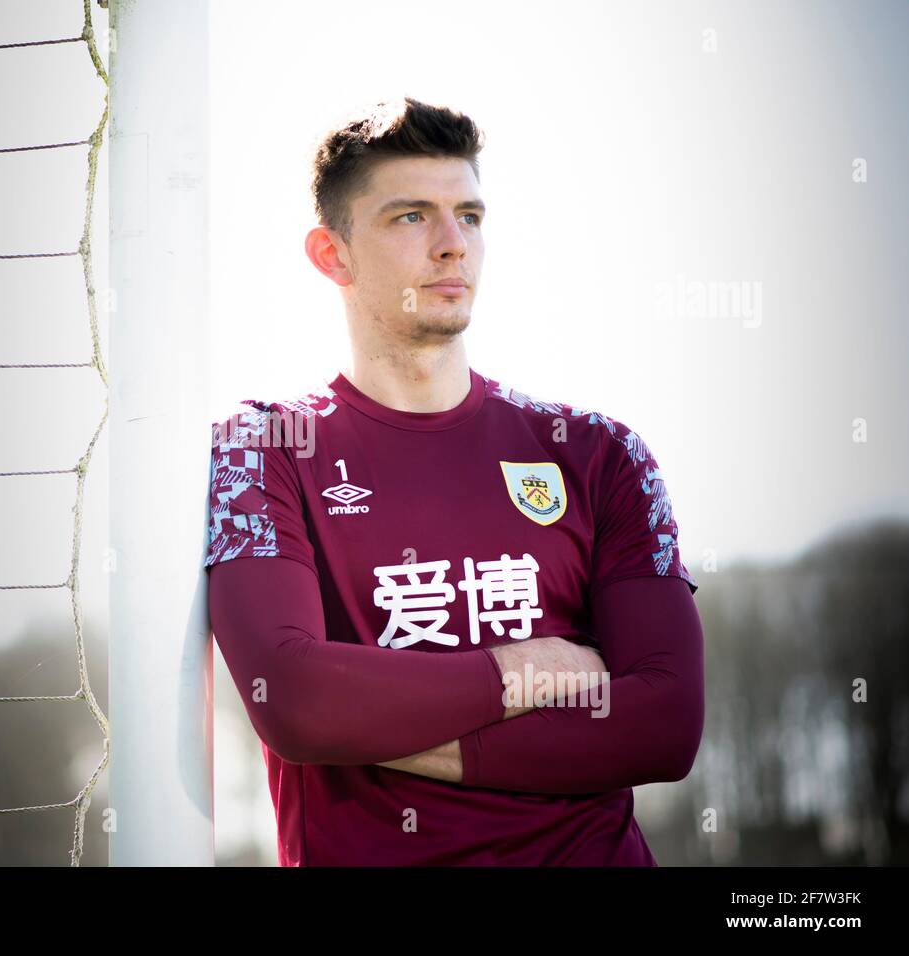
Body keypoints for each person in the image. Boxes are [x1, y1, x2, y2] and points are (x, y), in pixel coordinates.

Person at [203, 96, 703, 866]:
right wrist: (523, 670)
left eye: (469, 215)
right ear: (332, 253)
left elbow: (664, 724)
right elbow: (297, 703)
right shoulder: (261, 448)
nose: (452, 246)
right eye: (410, 217)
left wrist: (376, 724)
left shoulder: (600, 453)